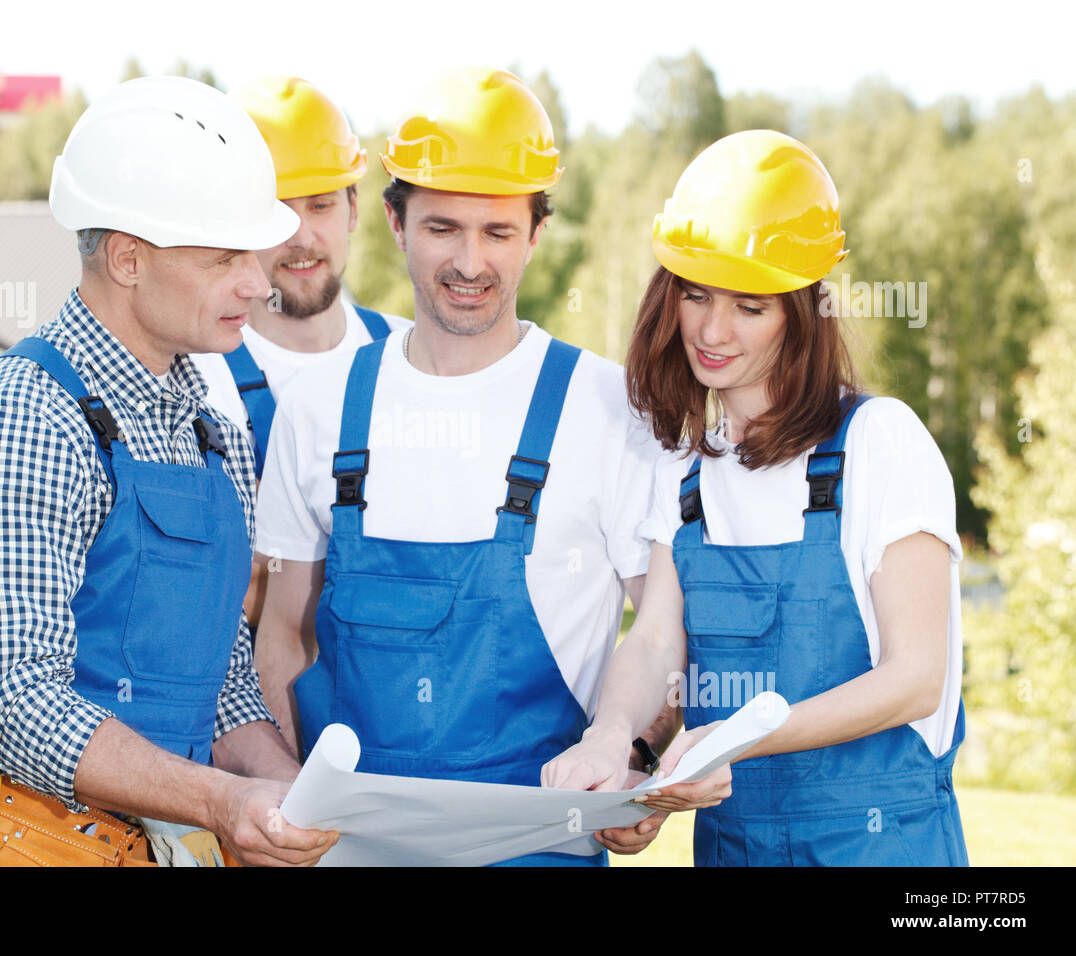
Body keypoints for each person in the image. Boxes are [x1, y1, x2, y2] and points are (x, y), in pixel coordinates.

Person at [0, 76, 339, 867]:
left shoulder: (212, 431)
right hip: (9, 842)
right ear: (128, 259)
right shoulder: (21, 420)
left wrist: (289, 794)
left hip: (159, 844)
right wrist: (221, 800)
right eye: (224, 257)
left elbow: (222, 681)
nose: (257, 283)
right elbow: (18, 707)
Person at [252, 67, 692, 866]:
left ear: (537, 232)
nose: (469, 262)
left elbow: (662, 635)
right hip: (347, 849)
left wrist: (632, 758)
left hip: (541, 843)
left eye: (497, 232)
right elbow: (282, 635)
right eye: (443, 228)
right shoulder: (317, 409)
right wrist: (279, 797)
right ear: (393, 221)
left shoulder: (607, 409)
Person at [543, 129, 970, 867]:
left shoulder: (880, 443)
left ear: (803, 313)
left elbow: (914, 679)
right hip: (734, 848)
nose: (712, 330)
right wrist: (619, 747)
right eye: (695, 294)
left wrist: (733, 737)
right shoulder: (682, 470)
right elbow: (655, 642)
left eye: (750, 305)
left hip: (881, 845)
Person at [192, 76, 410, 631]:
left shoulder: (415, 359)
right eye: (277, 212)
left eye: (320, 206)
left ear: (354, 209)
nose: (303, 236)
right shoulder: (195, 381)